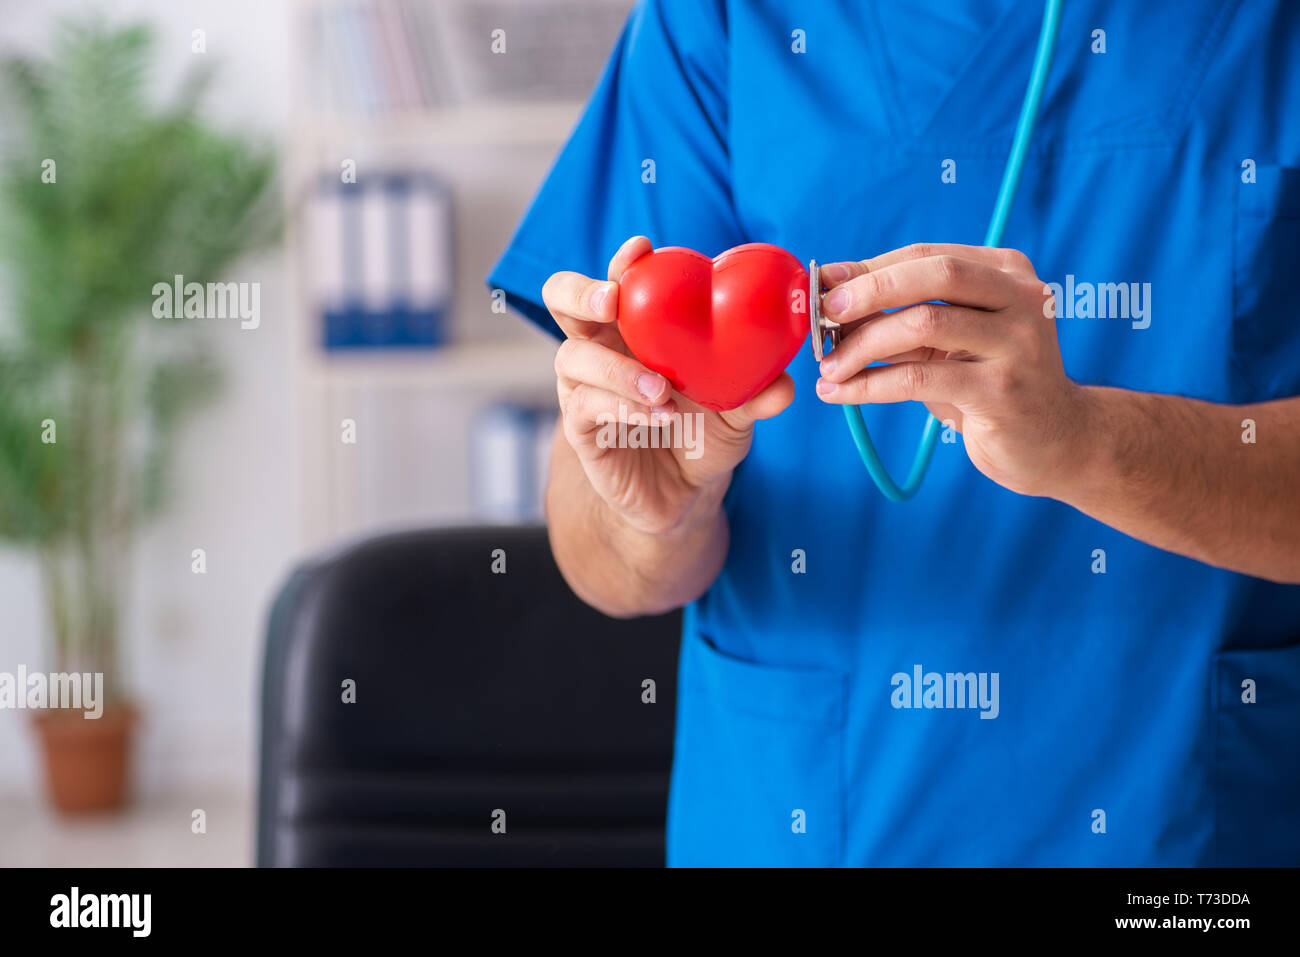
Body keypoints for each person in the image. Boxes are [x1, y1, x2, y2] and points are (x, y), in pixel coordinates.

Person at [488, 0, 1300, 866]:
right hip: (813, 824)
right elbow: (598, 557)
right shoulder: (722, 23)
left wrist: (1087, 441)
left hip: (1182, 851)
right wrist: (656, 512)